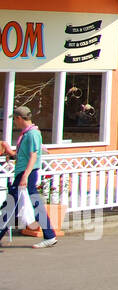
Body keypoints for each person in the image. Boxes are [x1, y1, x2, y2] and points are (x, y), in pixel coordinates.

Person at [0, 106, 58, 248]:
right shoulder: (29, 133)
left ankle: (50, 235)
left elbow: (33, 156)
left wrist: (25, 176)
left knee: (11, 204)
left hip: (26, 173)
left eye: (14, 119)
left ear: (19, 118)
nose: (14, 122)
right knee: (18, 204)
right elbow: (25, 156)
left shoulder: (32, 134)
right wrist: (11, 153)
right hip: (25, 172)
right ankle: (49, 235)